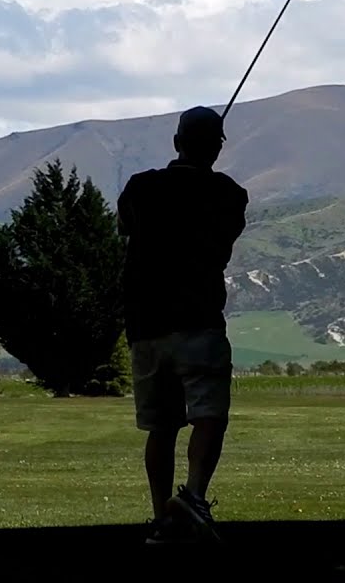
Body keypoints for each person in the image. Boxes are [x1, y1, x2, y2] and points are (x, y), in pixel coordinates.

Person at [116, 105, 249, 546]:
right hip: (199, 321)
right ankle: (193, 497)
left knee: (161, 427)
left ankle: (162, 518)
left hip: (146, 325)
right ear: (216, 148)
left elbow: (126, 227)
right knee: (209, 416)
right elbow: (224, 239)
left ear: (176, 142)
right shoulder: (230, 195)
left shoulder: (140, 188)